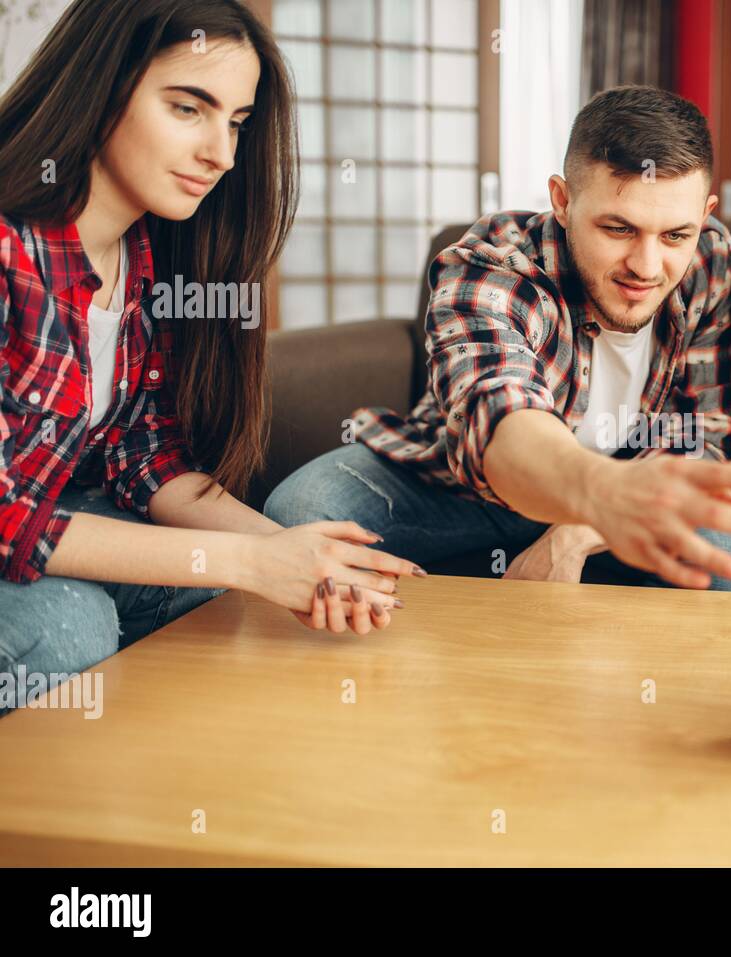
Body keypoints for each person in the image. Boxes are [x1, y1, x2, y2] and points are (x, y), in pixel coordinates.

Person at [1, 0, 419, 714]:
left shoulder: (143, 258)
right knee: (72, 627)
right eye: (189, 108)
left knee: (203, 583)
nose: (222, 155)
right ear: (101, 86)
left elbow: (146, 460)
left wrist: (300, 555)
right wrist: (253, 560)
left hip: (52, 517)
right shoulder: (12, 250)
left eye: (236, 122)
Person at [265, 85, 731, 591]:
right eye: (618, 229)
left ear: (705, 211)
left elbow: (709, 428)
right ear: (562, 200)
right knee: (301, 512)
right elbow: (500, 414)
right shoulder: (494, 263)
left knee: (728, 556)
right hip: (468, 486)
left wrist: (578, 531)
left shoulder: (710, 256)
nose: (647, 268)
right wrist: (598, 494)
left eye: (675, 234)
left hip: (631, 481)